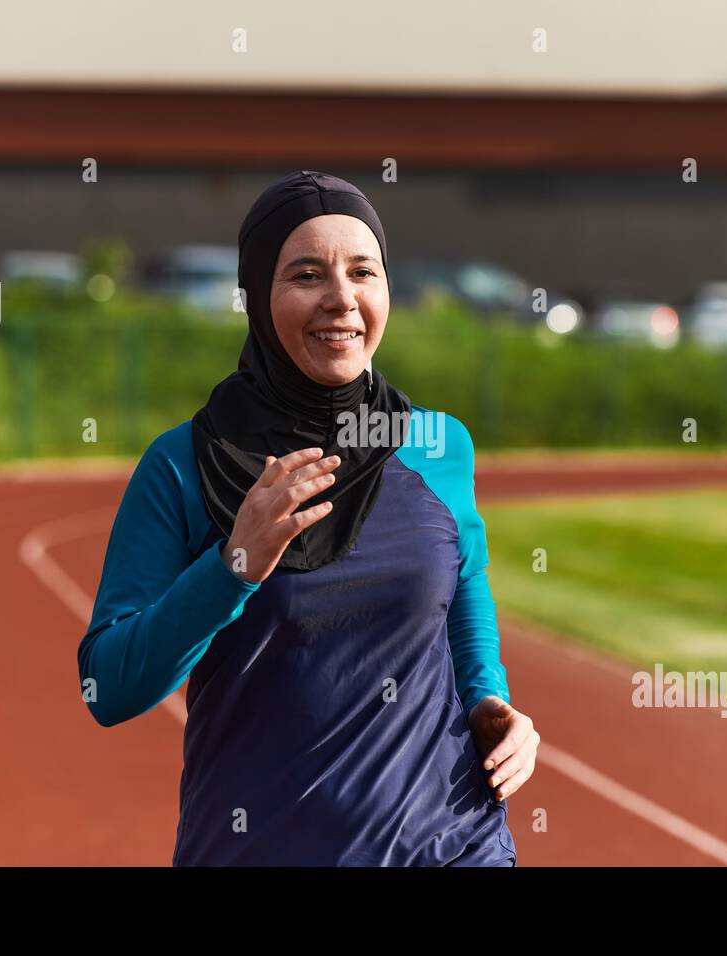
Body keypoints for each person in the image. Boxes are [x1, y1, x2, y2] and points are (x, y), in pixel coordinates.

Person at [77, 170, 539, 866]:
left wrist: (488, 698)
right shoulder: (184, 464)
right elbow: (108, 688)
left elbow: (463, 590)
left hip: (451, 843)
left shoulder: (439, 446)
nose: (342, 300)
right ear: (258, 297)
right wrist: (233, 566)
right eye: (306, 275)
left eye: (363, 271)